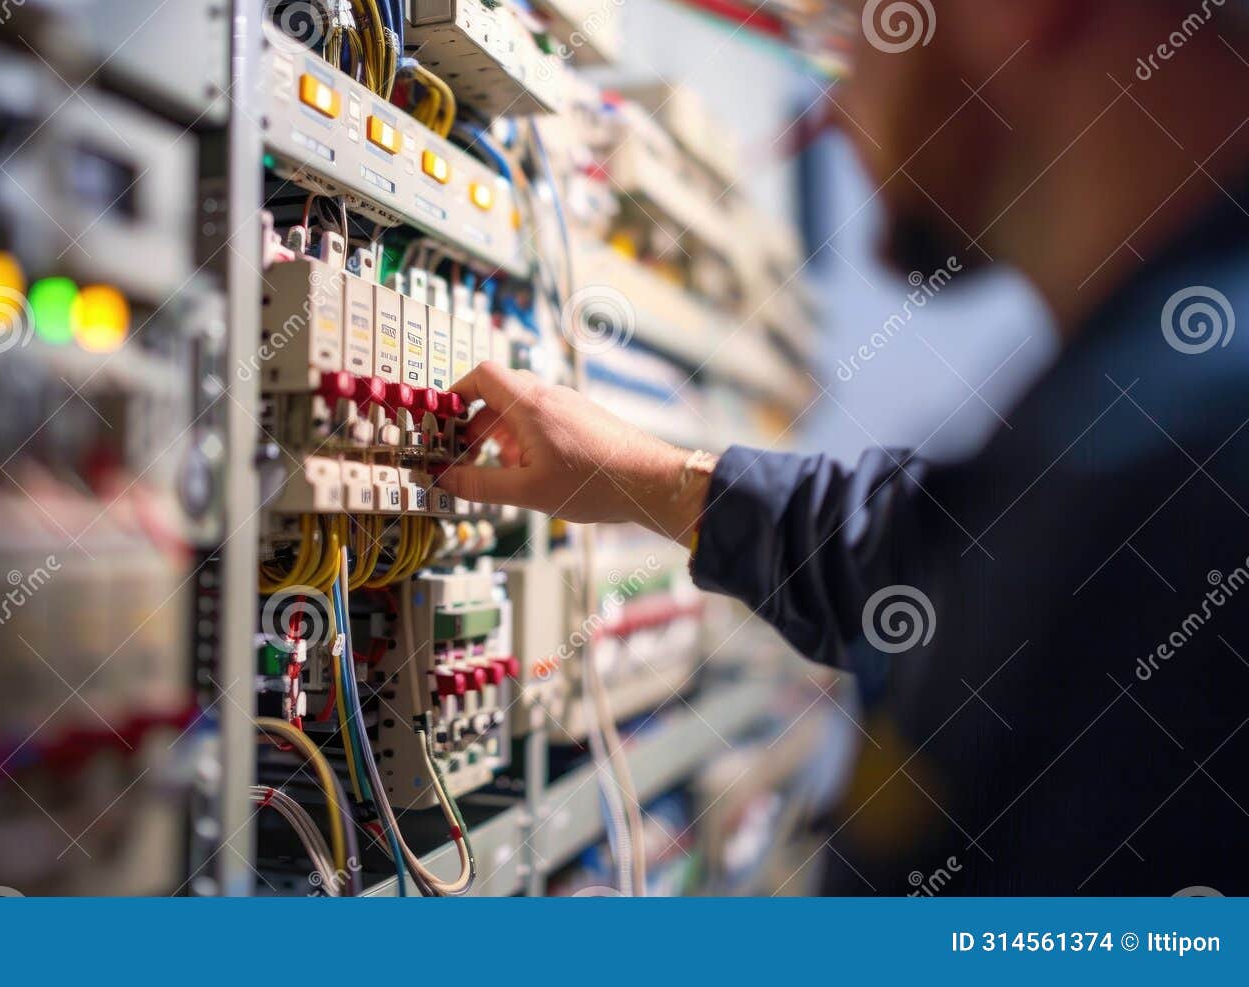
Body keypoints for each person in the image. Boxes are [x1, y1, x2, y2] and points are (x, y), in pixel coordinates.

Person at [437, 0, 1249, 894]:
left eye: (856, 30)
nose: (823, 112)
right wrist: (646, 477)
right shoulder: (1138, 415)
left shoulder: (1189, 457)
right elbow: (924, 561)